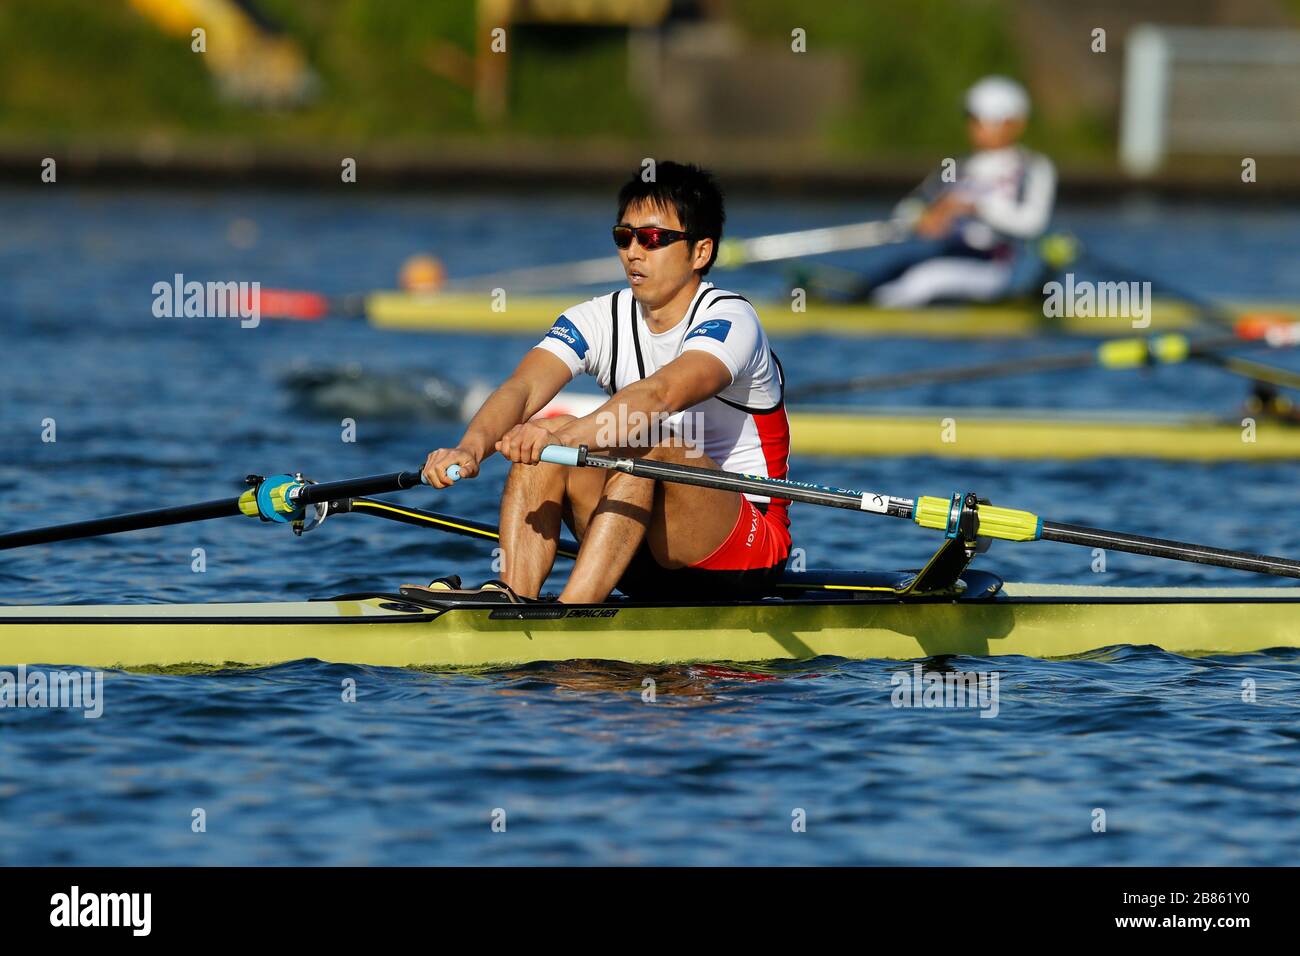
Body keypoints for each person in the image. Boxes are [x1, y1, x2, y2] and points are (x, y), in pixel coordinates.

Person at [420, 162, 792, 604]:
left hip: (745, 550)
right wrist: (471, 446)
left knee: (636, 440)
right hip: (638, 554)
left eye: (653, 239)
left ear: (700, 252)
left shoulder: (731, 319)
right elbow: (521, 389)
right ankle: (513, 597)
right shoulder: (597, 318)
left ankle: (571, 612)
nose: (634, 251)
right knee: (548, 442)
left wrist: (561, 436)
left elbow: (659, 395)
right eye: (624, 237)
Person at [866, 76, 1056, 307]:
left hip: (994, 267)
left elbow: (1032, 223)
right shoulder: (958, 165)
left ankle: (876, 308)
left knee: (923, 280)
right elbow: (910, 206)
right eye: (971, 119)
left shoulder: (1033, 167)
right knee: (890, 273)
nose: (972, 127)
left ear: (1012, 124)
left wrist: (972, 207)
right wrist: (921, 218)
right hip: (950, 255)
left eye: (980, 120)